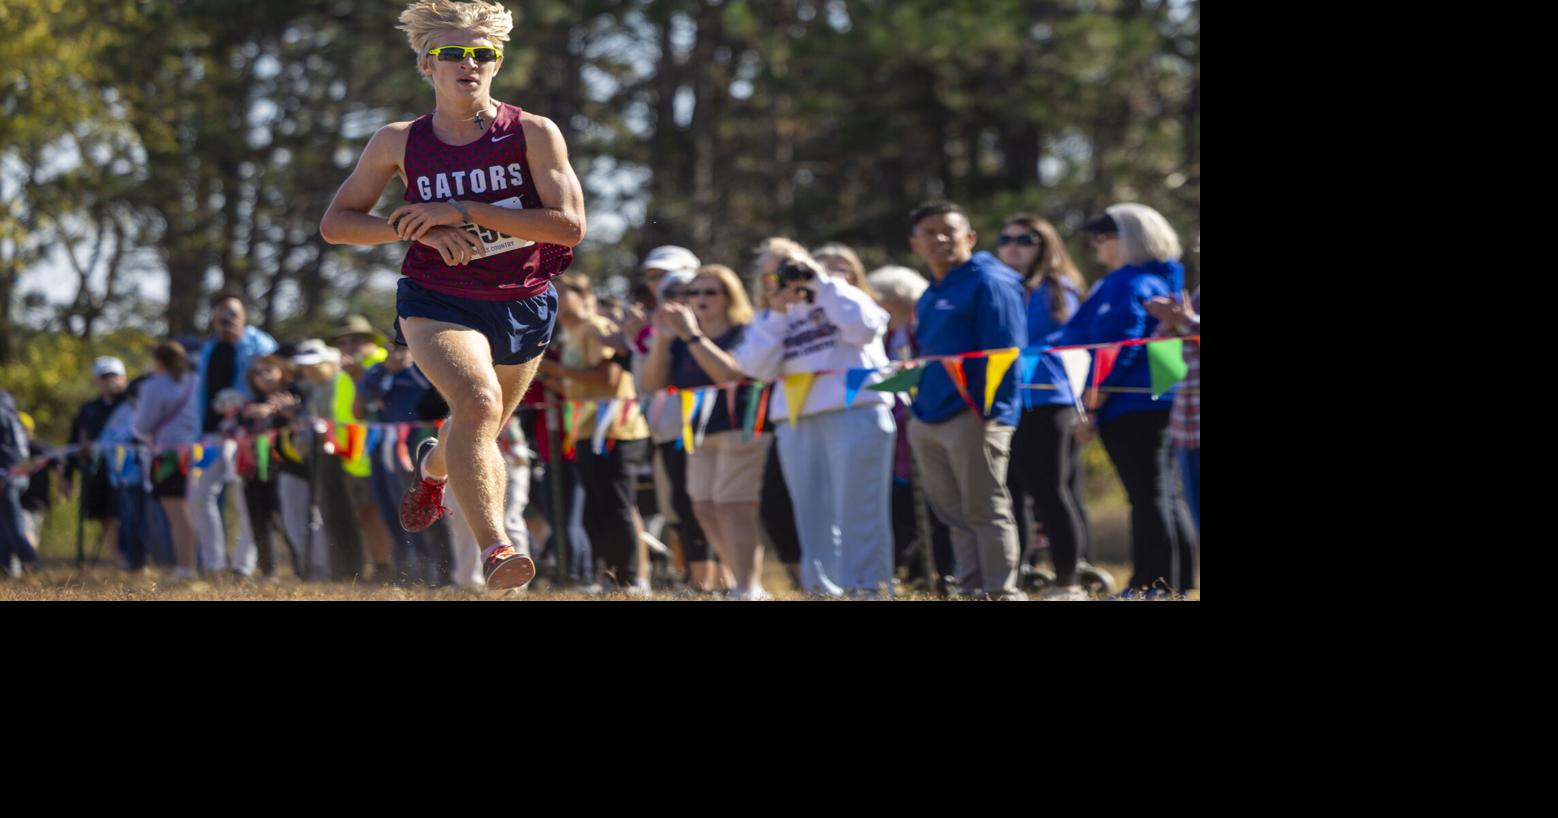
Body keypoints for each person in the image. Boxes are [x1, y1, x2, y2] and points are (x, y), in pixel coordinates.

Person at [320, 0, 586, 590]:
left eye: (482, 53)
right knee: (479, 404)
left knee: (477, 423)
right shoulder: (398, 141)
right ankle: (496, 548)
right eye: (453, 53)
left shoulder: (533, 132)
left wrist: (462, 208)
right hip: (436, 296)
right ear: (426, 65)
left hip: (521, 299)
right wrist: (415, 228)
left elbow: (568, 227)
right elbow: (337, 224)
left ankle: (435, 468)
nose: (469, 63)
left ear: (498, 62)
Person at [1057, 203, 1196, 596]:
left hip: (1130, 404)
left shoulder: (1128, 284)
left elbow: (1117, 349)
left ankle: (1150, 584)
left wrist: (1093, 404)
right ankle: (1176, 582)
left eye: (1104, 235)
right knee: (1163, 495)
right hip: (1154, 401)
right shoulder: (1152, 280)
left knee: (1148, 496)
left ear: (1131, 239)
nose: (1096, 243)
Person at [906, 201, 1029, 600]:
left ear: (970, 237)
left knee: (985, 509)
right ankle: (973, 589)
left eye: (949, 230)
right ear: (915, 243)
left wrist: (989, 414)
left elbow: (1005, 354)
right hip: (929, 416)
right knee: (954, 514)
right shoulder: (930, 292)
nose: (940, 239)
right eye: (929, 232)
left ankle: (1000, 591)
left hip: (974, 416)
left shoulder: (991, 282)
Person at [995, 213, 1094, 599]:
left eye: (1024, 239)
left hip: (1048, 399)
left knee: (1051, 491)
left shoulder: (1058, 286)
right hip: (1007, 401)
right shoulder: (1002, 285)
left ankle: (1068, 581)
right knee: (1012, 493)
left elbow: (1051, 335)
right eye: (1005, 239)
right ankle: (1020, 574)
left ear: (1044, 244)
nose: (1013, 246)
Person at [60, 356, 129, 560]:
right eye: (104, 377)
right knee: (104, 514)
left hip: (127, 470)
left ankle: (131, 557)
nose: (110, 381)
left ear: (124, 377)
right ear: (96, 380)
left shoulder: (131, 404)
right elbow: (74, 442)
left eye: (114, 375)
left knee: (124, 513)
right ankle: (121, 558)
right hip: (97, 471)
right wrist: (67, 475)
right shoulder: (88, 409)